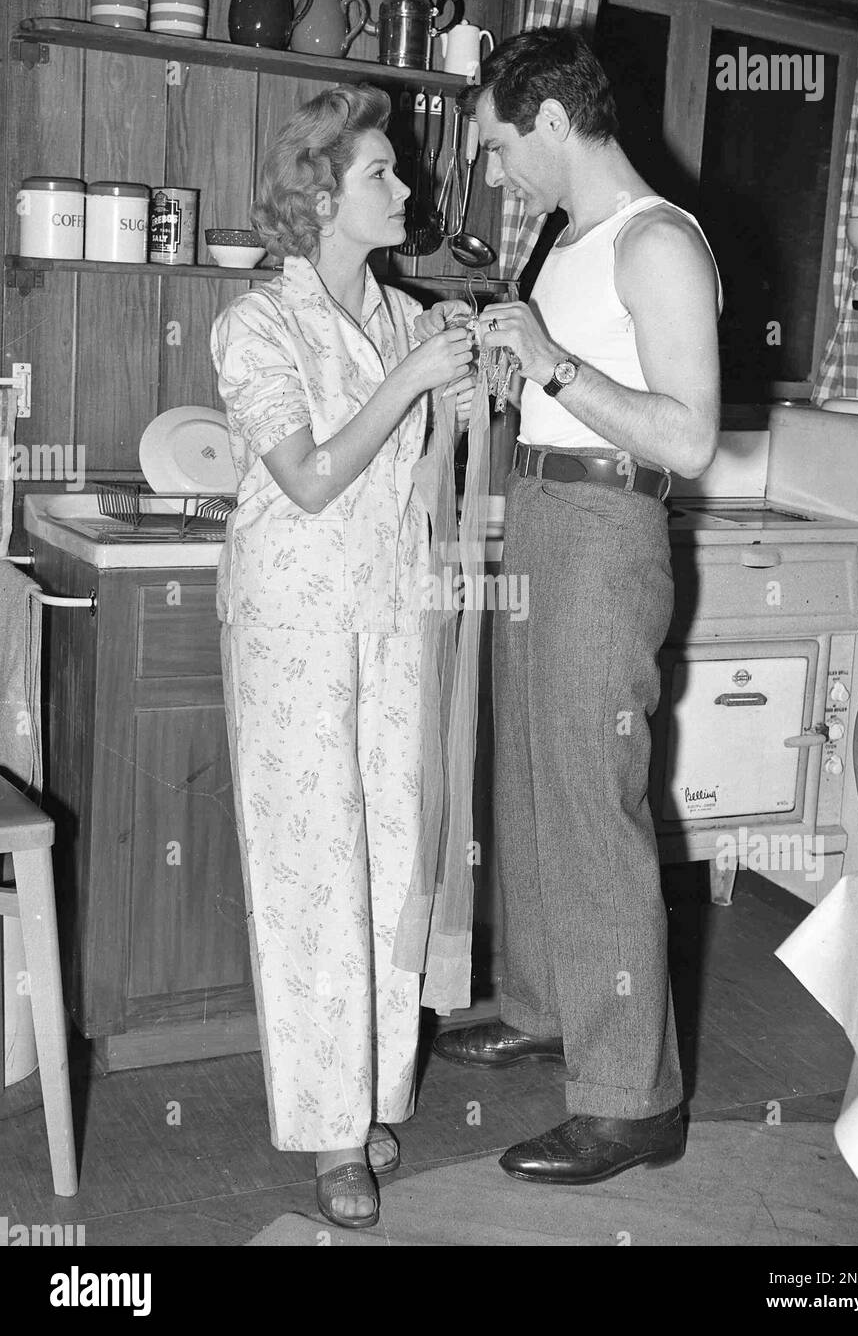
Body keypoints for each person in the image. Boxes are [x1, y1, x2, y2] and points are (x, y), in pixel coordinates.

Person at [418, 28, 722, 1184]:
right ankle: (544, 1007)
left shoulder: (658, 244)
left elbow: (687, 436)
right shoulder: (562, 236)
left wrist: (548, 364)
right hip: (540, 510)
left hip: (607, 531)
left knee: (595, 804)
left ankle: (632, 1098)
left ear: (552, 124)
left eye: (499, 149)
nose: (495, 176)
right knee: (532, 782)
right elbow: (565, 382)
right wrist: (516, 366)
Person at [210, 85, 474, 1228]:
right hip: (291, 624)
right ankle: (327, 1136)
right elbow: (310, 476)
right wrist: (410, 385)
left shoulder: (410, 318)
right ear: (321, 192)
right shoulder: (254, 326)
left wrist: (450, 417)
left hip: (390, 608)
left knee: (388, 859)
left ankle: (369, 1092)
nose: (406, 189)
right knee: (314, 869)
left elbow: (430, 457)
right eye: (382, 174)